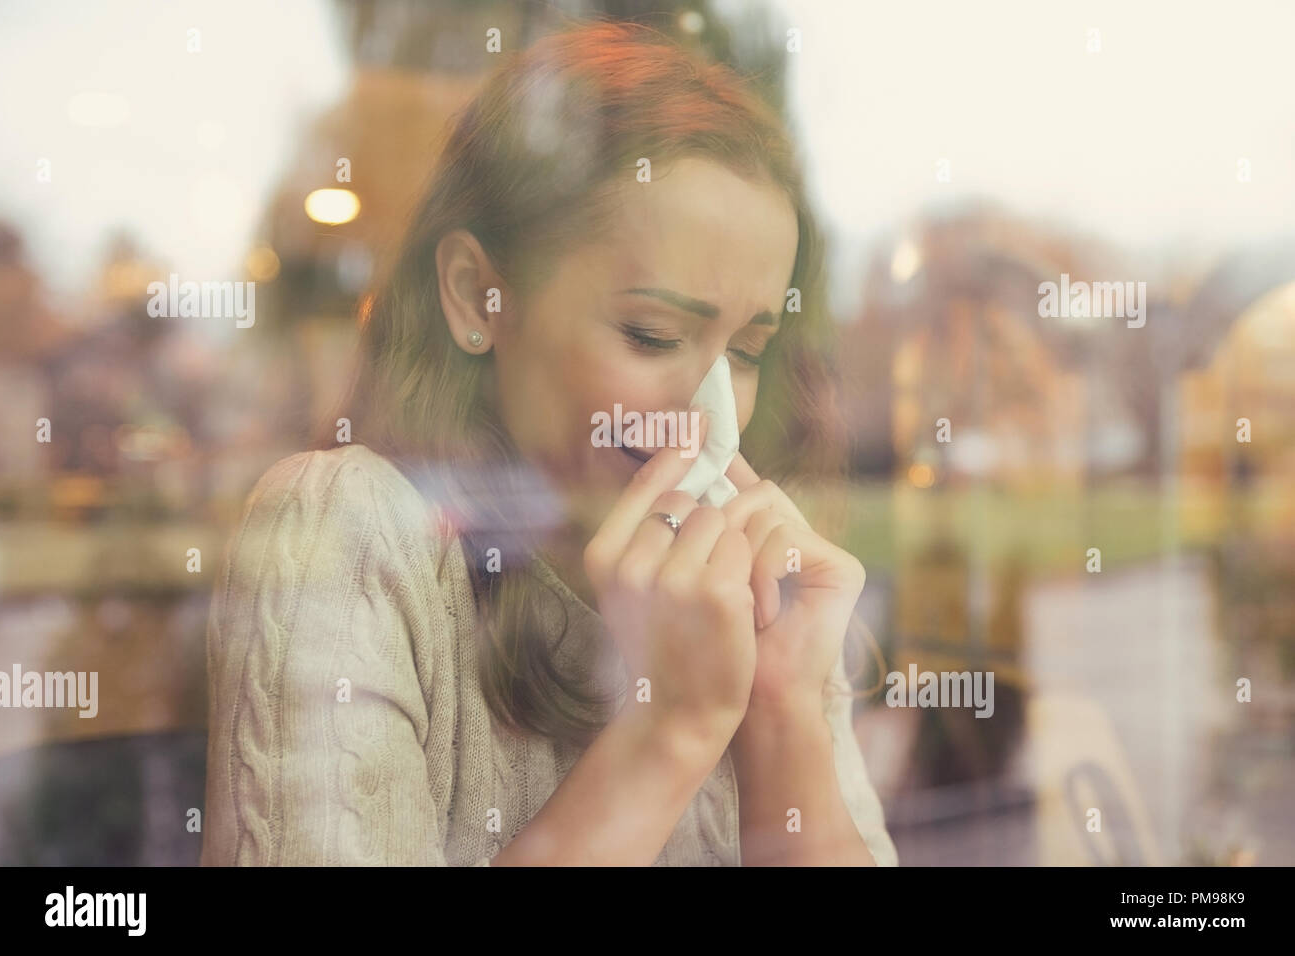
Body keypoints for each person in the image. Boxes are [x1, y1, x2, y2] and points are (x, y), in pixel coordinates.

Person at [201, 18, 897, 867]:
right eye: (650, 333)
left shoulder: (751, 591)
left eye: (747, 351)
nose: (715, 418)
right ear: (476, 299)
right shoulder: (349, 531)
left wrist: (784, 715)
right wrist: (667, 734)